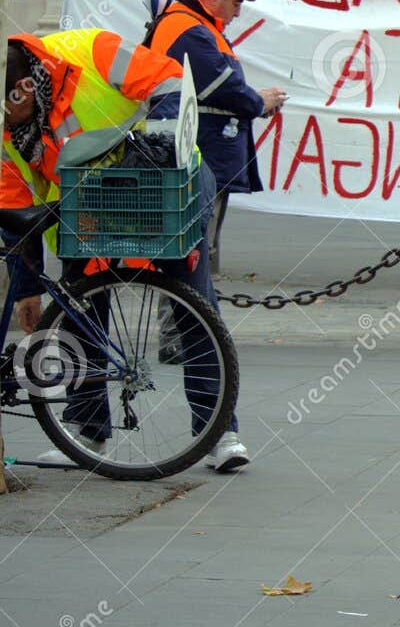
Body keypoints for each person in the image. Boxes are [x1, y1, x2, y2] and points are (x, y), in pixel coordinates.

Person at [2, 28, 247, 470]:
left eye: (14, 112)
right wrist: (26, 290)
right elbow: (15, 209)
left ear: (28, 85)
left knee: (194, 306)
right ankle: (86, 429)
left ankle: (220, 432)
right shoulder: (10, 132)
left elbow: (170, 81)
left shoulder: (93, 49)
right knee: (79, 308)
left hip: (165, 186)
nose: (11, 124)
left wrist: (156, 145)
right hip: (92, 205)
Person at [144, 0, 286, 274]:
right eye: (236, 3)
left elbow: (220, 86)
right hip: (201, 153)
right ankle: (187, 322)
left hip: (204, 151)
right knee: (193, 248)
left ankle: (191, 318)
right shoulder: (190, 28)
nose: (238, 12)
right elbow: (223, 84)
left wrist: (254, 102)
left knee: (195, 246)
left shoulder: (195, 25)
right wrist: (257, 102)